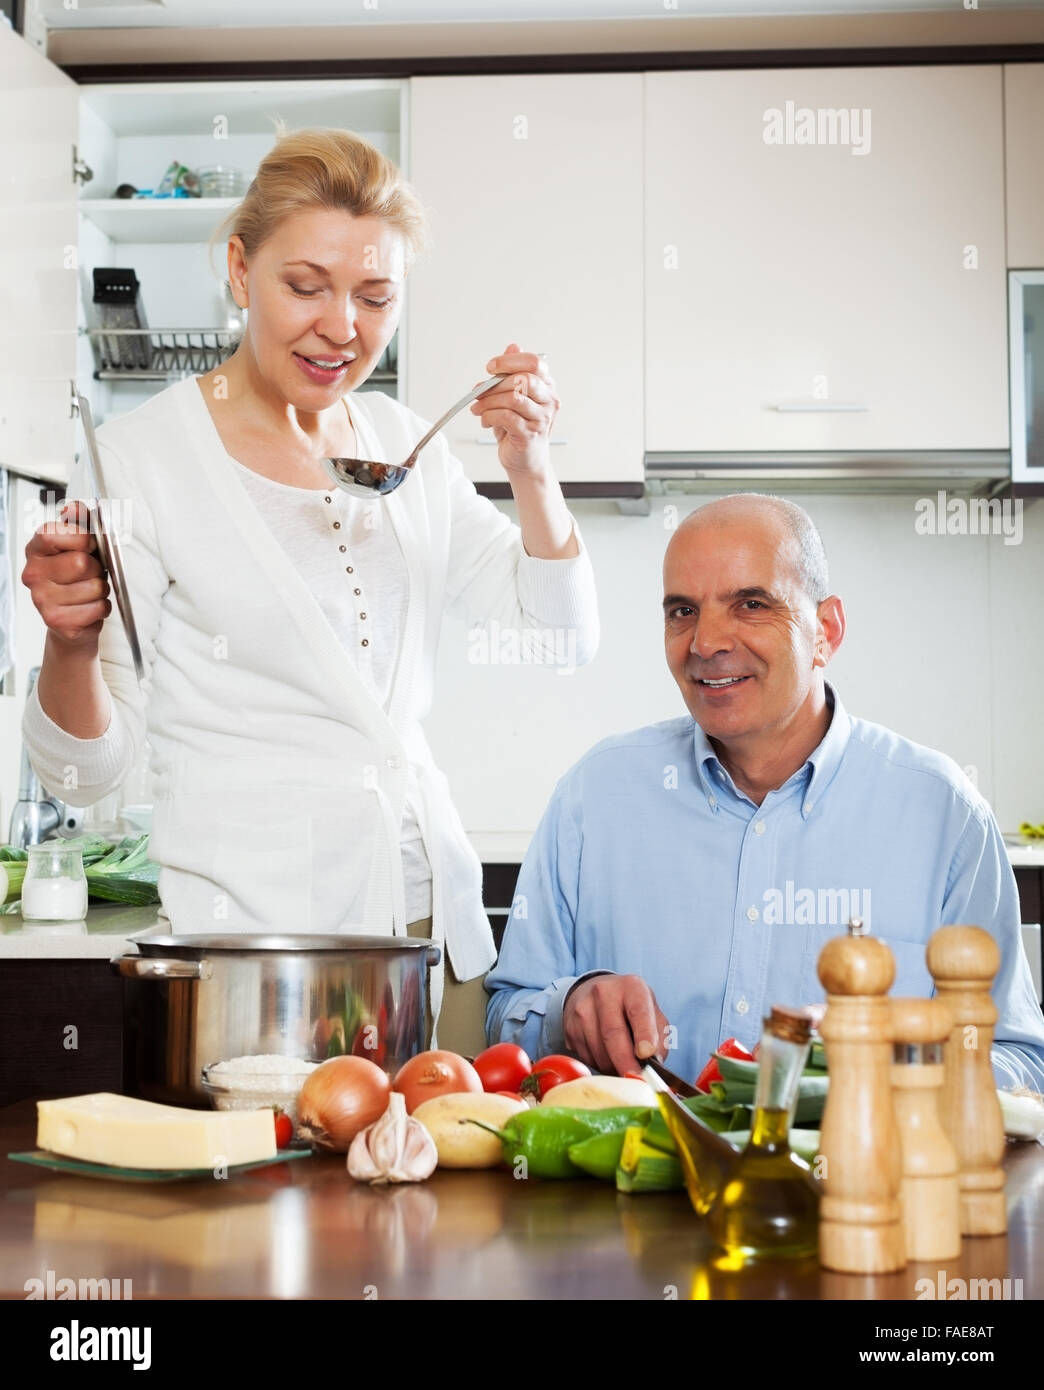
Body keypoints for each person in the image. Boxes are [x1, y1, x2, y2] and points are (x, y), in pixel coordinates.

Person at [20, 128, 598, 1055]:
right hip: (250, 953)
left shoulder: (404, 441)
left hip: (425, 936)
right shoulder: (143, 462)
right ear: (242, 271)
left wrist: (532, 469)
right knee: (263, 1197)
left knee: (431, 1196)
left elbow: (559, 637)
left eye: (376, 297)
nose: (342, 327)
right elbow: (85, 775)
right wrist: (71, 641)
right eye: (306, 287)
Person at [485, 494, 1044, 1090]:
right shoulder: (594, 796)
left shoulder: (945, 813)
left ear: (826, 630)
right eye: (682, 611)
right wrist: (570, 1008)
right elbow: (504, 1019)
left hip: (860, 1178)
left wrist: (893, 1055)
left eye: (750, 604)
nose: (705, 642)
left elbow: (1021, 1061)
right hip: (634, 1176)